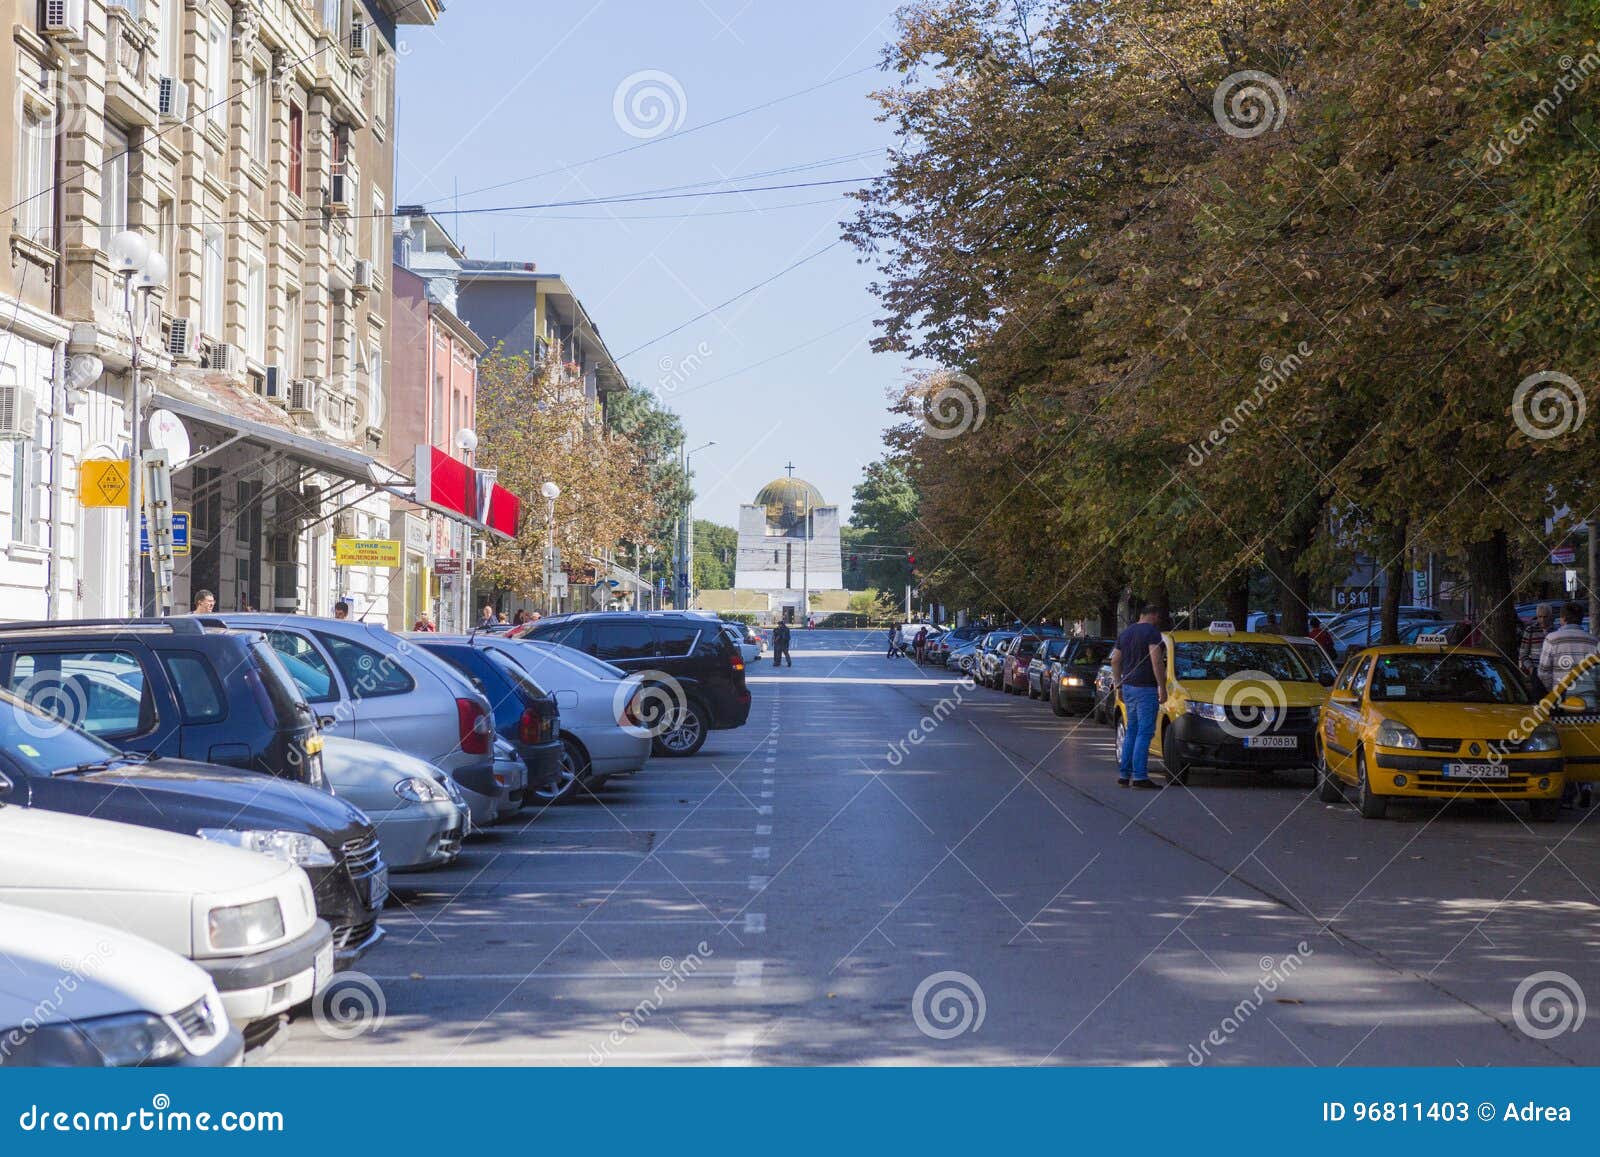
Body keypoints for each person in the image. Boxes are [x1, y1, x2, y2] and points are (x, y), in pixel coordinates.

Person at [1110, 604, 1167, 790]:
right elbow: (1156, 660)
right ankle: (1141, 776)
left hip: (1128, 686)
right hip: (1146, 688)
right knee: (1144, 732)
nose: (1158, 621)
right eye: (1158, 617)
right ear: (1154, 615)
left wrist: (1118, 683)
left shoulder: (1126, 633)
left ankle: (1124, 775)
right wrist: (1162, 686)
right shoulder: (1152, 632)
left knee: (1131, 730)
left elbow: (1115, 660)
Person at [1520, 603, 1555, 691]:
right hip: (1535, 671)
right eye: (1540, 617)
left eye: (1545, 617)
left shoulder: (1556, 631)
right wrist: (1531, 668)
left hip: (1552, 672)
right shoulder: (1530, 630)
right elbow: (1523, 653)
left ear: (1550, 616)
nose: (1542, 620)